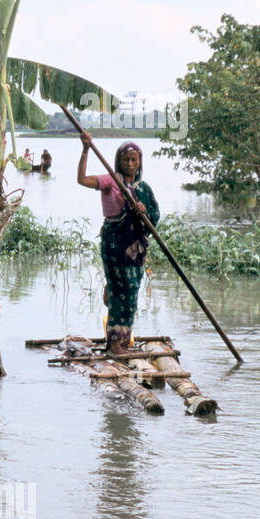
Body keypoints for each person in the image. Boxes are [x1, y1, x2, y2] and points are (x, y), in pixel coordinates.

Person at [77, 134, 160, 356]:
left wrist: (144, 212)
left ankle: (124, 341)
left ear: (140, 162)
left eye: (134, 160)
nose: (130, 164)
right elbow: (82, 179)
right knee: (118, 290)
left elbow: (155, 216)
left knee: (132, 290)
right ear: (119, 161)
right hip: (115, 243)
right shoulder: (111, 181)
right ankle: (113, 343)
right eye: (126, 160)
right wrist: (85, 149)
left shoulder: (144, 188)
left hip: (135, 247)